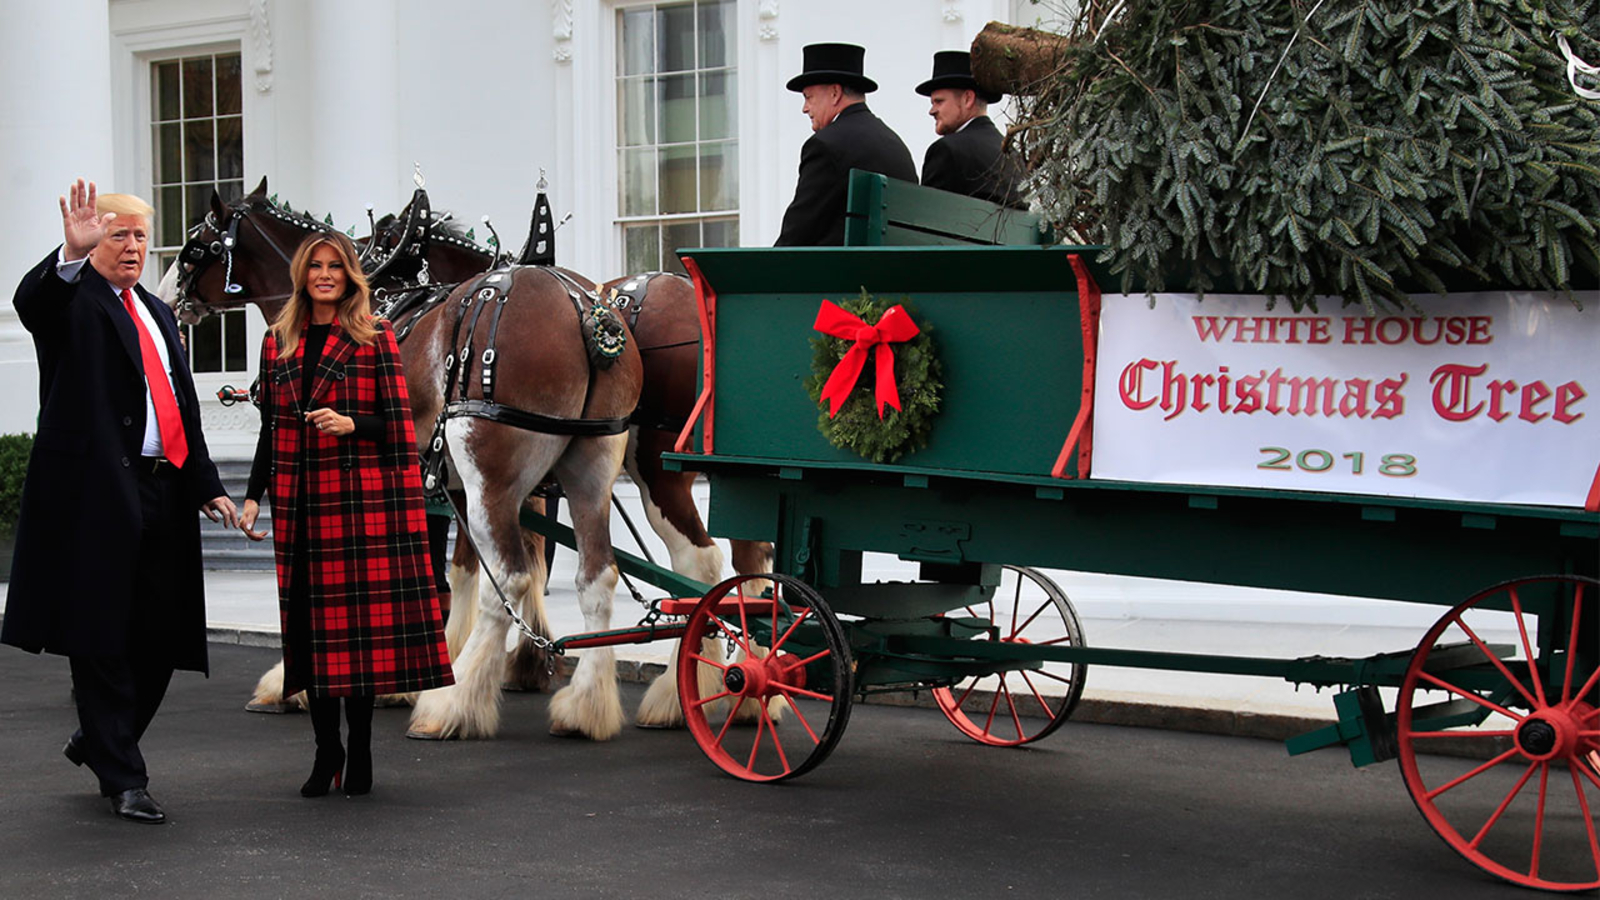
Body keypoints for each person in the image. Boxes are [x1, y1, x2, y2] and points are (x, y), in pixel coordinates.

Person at [3, 179, 238, 824]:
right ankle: (123, 777)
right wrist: (69, 257)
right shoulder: (73, 300)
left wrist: (208, 483)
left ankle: (99, 737)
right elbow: (34, 304)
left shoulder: (159, 314)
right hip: (96, 492)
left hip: (163, 485)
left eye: (139, 236)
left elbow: (182, 409)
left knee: (163, 634)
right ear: (93, 241)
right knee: (100, 634)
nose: (132, 247)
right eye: (118, 236)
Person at [238, 230, 452, 798]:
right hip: (298, 504)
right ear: (303, 275)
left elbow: (400, 424)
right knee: (309, 638)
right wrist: (255, 494)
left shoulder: (373, 334)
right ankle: (324, 750)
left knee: (354, 640)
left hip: (357, 507)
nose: (325, 275)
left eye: (335, 266)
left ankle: (358, 750)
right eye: (316, 266)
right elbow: (270, 427)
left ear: (349, 274)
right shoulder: (277, 340)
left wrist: (353, 424)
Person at [775, 42, 918, 247]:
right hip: (894, 272)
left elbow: (797, 233)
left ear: (835, 93)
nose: (805, 109)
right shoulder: (895, 144)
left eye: (808, 97)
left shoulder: (825, 146)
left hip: (845, 274)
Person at [916, 50, 1025, 208]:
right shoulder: (1012, 154)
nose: (932, 111)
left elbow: (926, 216)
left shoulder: (947, 150)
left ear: (968, 99)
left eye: (939, 102)